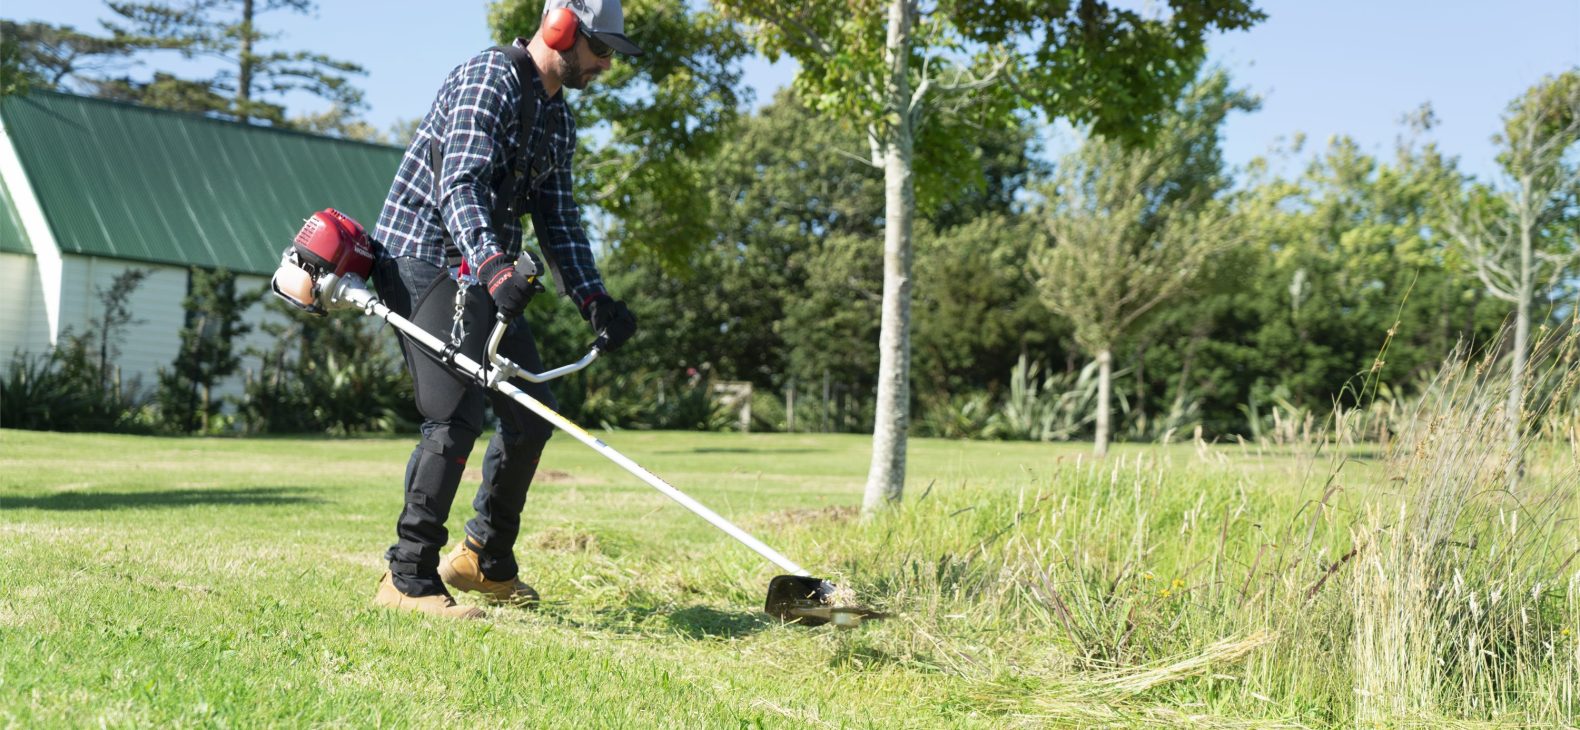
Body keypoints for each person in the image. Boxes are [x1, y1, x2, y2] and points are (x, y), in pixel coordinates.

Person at [369, 0, 641, 619]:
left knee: (530, 413)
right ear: (561, 28)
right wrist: (494, 267)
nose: (604, 64)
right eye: (599, 48)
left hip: (481, 273)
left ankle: (482, 560)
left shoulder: (558, 119)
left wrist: (593, 298)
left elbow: (559, 219)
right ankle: (406, 577)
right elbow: (459, 183)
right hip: (423, 258)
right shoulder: (485, 78)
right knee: (455, 413)